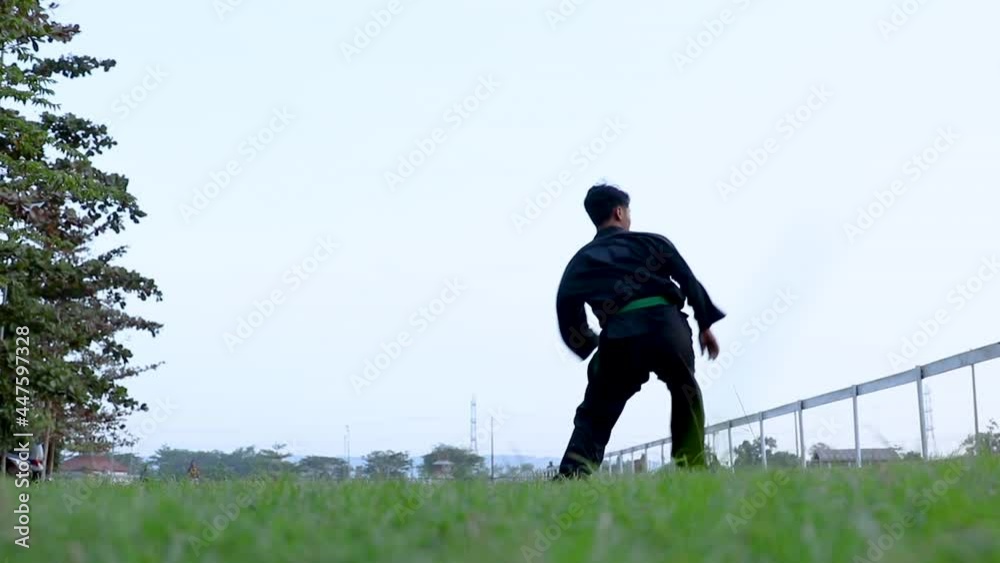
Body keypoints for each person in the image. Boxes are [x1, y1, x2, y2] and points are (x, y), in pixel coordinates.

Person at [554, 183, 725, 478]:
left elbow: (566, 304)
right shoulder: (652, 242)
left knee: (596, 410)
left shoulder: (582, 260)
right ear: (619, 212)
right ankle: (692, 467)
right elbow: (688, 280)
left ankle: (573, 475)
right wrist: (704, 325)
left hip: (619, 337)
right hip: (666, 328)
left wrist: (587, 342)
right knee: (685, 389)